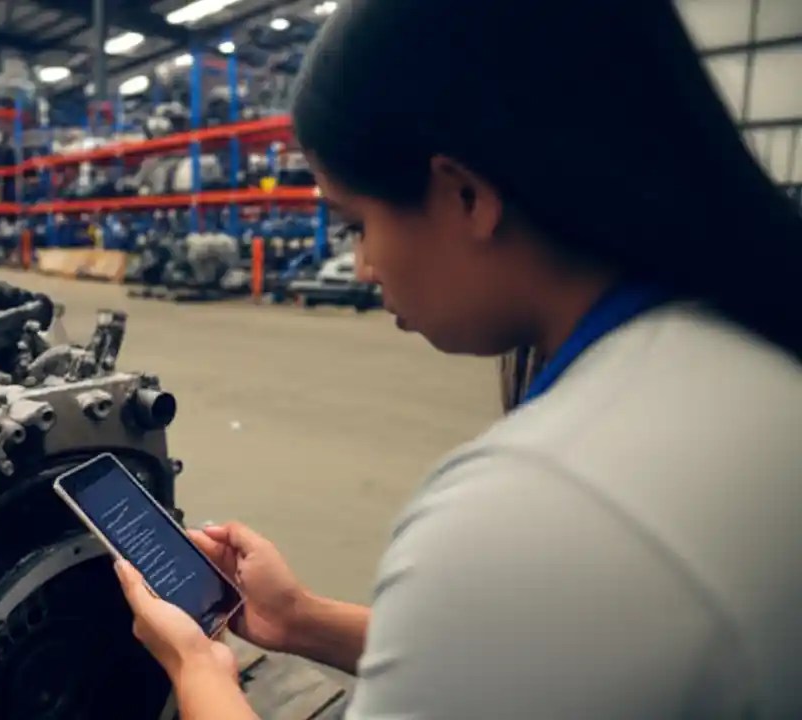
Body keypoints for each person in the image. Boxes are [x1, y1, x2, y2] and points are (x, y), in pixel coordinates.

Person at [114, 0, 802, 717]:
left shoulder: (529, 511)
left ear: (466, 195)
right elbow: (543, 654)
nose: (362, 267)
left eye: (358, 225)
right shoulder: (743, 352)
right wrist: (301, 620)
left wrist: (198, 671)